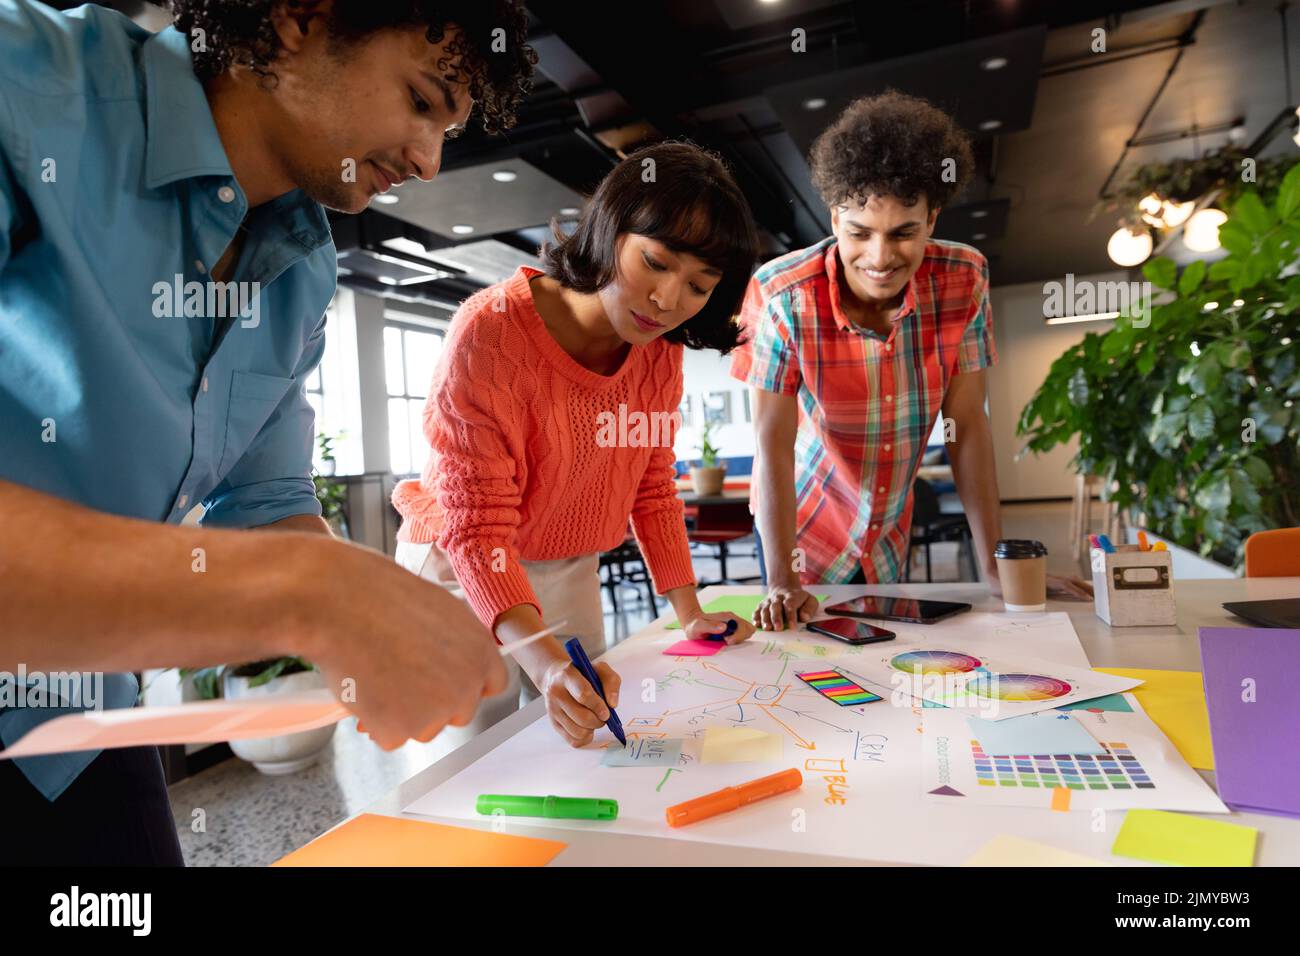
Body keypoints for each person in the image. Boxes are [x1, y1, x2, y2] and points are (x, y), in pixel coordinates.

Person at [0, 0, 535, 864]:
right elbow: (288, 568)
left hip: (79, 719)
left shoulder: (302, 264)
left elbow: (266, 499)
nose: (431, 161)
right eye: (422, 99)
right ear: (296, 21)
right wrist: (308, 591)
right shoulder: (25, 81)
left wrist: (378, 619)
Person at [392, 142, 760, 748]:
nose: (668, 301)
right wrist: (542, 662)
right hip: (463, 566)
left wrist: (688, 611)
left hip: (568, 564)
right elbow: (478, 529)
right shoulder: (490, 334)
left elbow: (652, 486)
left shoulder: (659, 353)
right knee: (473, 761)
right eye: (656, 262)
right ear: (611, 228)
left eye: (698, 286)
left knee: (582, 738)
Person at [732, 91, 1092, 631]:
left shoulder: (963, 278)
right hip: (801, 528)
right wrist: (782, 579)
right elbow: (772, 443)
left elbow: (967, 426)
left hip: (888, 529)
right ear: (834, 217)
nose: (880, 258)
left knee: (882, 668)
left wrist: (999, 566)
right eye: (859, 233)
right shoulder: (780, 293)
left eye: (904, 232)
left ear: (933, 218)